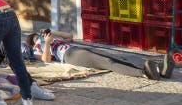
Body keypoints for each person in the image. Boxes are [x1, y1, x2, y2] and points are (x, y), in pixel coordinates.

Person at [24, 29, 164, 79]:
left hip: (75, 48)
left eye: (40, 36)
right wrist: (46, 43)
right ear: (33, 42)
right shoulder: (37, 48)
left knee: (113, 55)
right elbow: (46, 60)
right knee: (106, 62)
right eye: (37, 37)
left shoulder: (51, 38)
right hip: (70, 56)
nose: (40, 38)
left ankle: (154, 68)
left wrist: (52, 33)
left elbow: (69, 36)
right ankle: (143, 73)